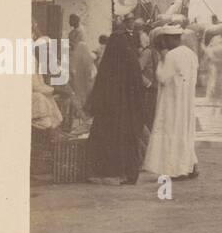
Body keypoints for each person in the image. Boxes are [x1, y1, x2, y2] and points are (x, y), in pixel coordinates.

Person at [85, 28, 147, 185]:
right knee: (129, 141)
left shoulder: (109, 63)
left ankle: (109, 172)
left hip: (109, 114)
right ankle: (129, 173)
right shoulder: (132, 61)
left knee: (106, 140)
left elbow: (100, 90)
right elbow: (139, 88)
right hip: (129, 113)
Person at [142, 27, 199, 181]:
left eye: (166, 40)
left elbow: (162, 77)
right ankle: (190, 166)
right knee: (184, 134)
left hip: (172, 102)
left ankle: (176, 169)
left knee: (171, 133)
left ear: (171, 38)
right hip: (186, 101)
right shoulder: (191, 54)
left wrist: (161, 60)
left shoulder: (171, 56)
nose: (165, 43)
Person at [66, 13, 96, 126]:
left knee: (79, 84)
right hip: (73, 58)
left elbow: (78, 46)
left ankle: (80, 111)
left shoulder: (80, 31)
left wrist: (69, 44)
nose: (69, 22)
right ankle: (76, 112)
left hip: (78, 59)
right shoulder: (73, 31)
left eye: (71, 20)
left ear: (75, 21)